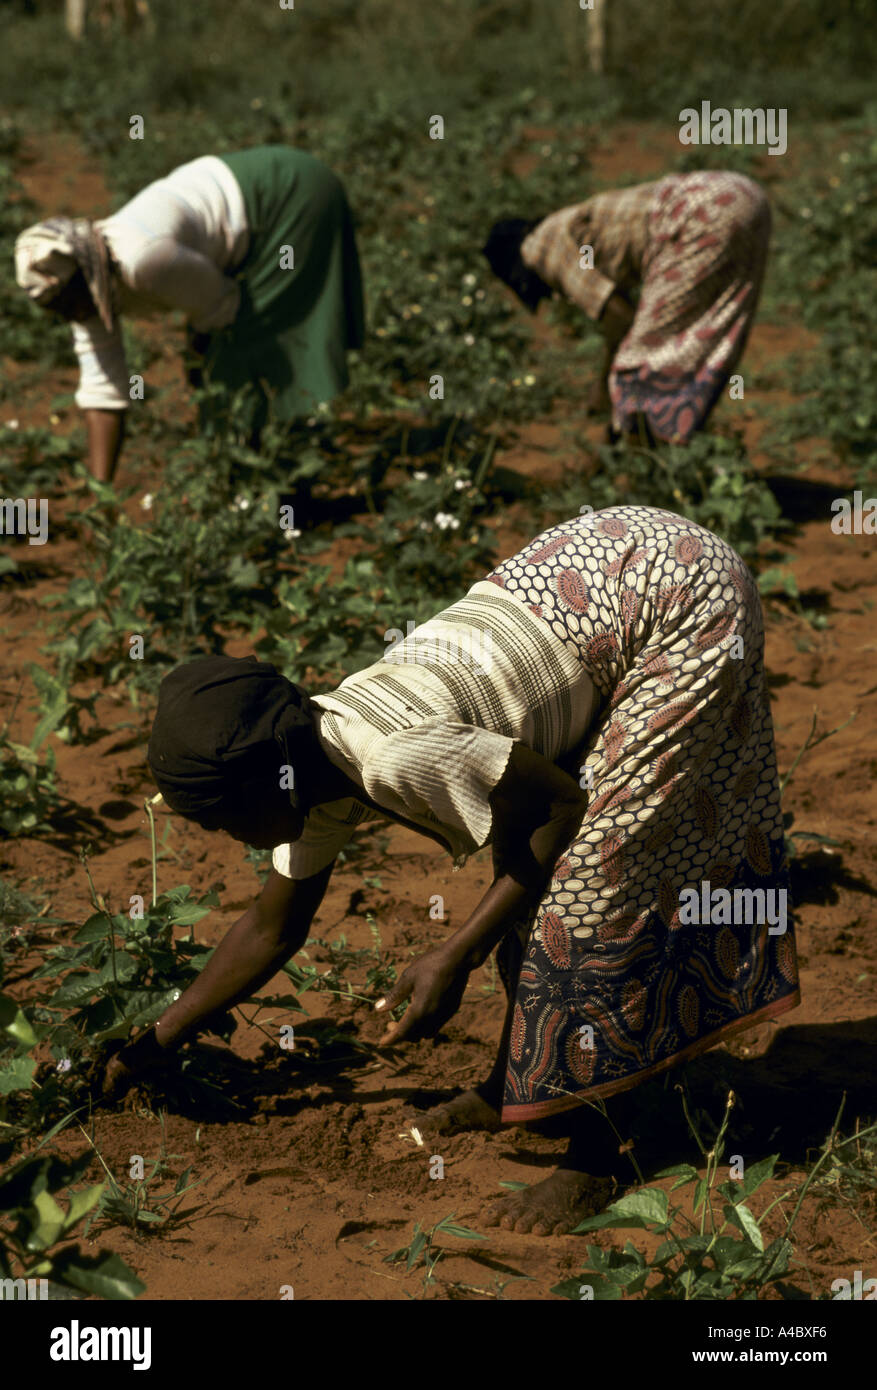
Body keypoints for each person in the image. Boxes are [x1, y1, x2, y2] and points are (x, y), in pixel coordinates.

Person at [105, 504, 799, 1235]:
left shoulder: (390, 756)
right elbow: (271, 928)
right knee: (527, 881)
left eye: (220, 820)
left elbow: (557, 809)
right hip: (601, 571)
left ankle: (602, 1152)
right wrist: (149, 1046)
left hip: (678, 596)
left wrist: (454, 953)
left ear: (263, 785)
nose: (225, 838)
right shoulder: (311, 760)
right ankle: (515, 1084)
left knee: (588, 894)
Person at [14, 146, 365, 482]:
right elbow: (102, 389)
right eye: (58, 311)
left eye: (72, 304)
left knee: (249, 345)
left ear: (85, 276)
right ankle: (251, 470)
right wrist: (101, 495)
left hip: (290, 195)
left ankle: (281, 476)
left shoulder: (144, 261)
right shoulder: (84, 286)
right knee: (221, 362)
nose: (72, 316)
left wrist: (200, 356)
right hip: (250, 196)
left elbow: (224, 305)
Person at [483, 171, 771, 445]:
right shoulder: (567, 224)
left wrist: (604, 388)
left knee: (639, 363)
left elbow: (618, 318)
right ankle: (680, 446)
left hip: (698, 213)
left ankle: (635, 468)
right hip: (743, 196)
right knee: (713, 332)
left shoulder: (540, 247)